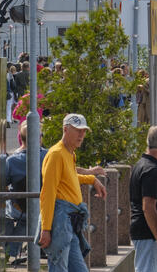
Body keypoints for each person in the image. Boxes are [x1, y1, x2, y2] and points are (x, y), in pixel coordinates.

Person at [38, 114, 107, 272]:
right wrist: (46, 229)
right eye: (77, 131)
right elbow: (47, 192)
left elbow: (68, 177)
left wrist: (92, 179)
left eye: (83, 131)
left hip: (69, 221)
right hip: (61, 221)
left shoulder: (69, 153)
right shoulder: (56, 154)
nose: (81, 135)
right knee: (58, 267)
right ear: (65, 129)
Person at [2, 119, 48, 261]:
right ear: (39, 138)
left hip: (19, 209)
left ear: (21, 139)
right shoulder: (48, 156)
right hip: (44, 208)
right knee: (29, 215)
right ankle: (31, 248)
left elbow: (3, 184)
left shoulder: (12, 161)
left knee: (19, 213)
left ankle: (11, 249)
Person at [129, 125, 157, 272]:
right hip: (150, 235)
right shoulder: (151, 170)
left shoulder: (143, 165)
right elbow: (148, 207)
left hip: (152, 234)